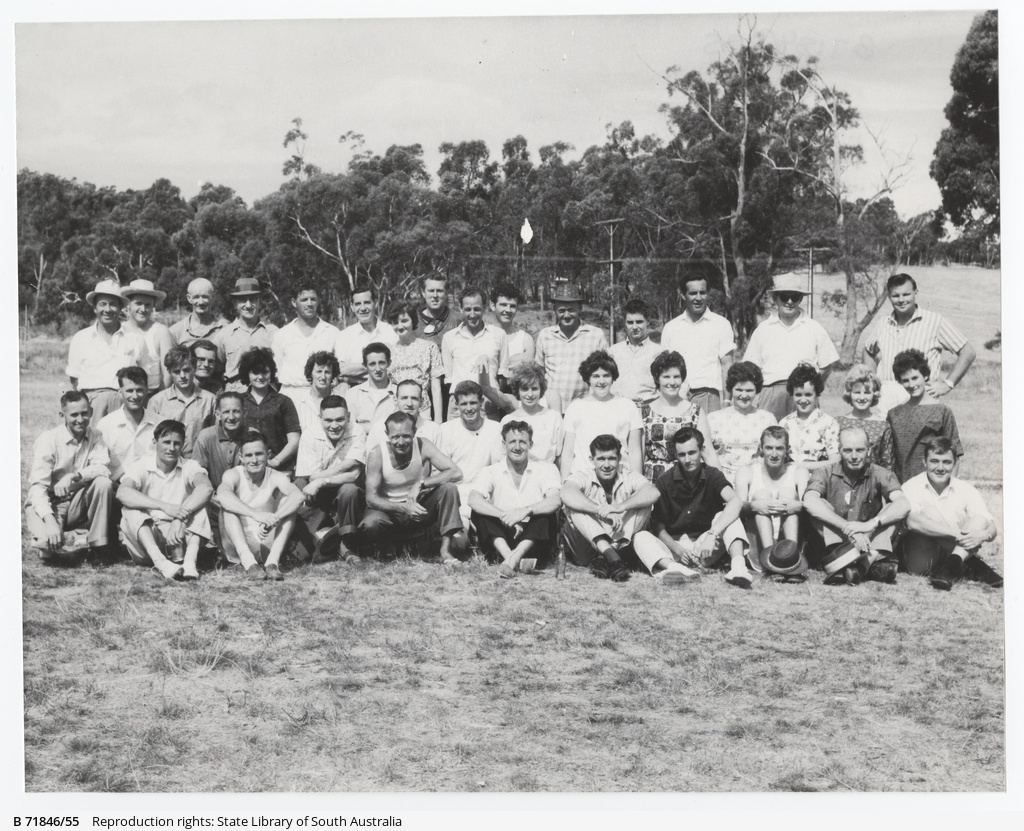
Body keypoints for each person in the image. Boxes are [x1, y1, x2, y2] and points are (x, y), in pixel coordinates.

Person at [561, 434, 697, 584]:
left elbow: (653, 492)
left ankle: (610, 557)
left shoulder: (628, 475)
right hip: (586, 548)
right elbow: (566, 493)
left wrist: (618, 508)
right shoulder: (583, 475)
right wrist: (600, 510)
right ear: (591, 459)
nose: (606, 465)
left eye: (611, 458)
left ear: (619, 458)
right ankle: (609, 553)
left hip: (620, 542)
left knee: (644, 503)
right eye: (600, 459)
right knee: (575, 507)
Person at [802, 426, 910, 586]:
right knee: (820, 505)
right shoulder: (824, 472)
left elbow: (903, 504)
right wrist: (847, 528)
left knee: (893, 509)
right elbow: (809, 501)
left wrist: (868, 526)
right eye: (847, 450)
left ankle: (861, 565)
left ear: (869, 451)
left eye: (860, 450)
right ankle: (869, 562)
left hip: (868, 538)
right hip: (836, 539)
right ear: (839, 451)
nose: (854, 456)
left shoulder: (881, 473)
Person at [651, 427, 752, 588]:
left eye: (692, 453)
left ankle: (738, 568)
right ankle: (676, 570)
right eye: (682, 455)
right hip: (676, 549)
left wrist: (712, 535)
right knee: (641, 536)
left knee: (728, 515)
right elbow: (658, 525)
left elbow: (736, 502)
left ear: (701, 450)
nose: (687, 460)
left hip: (705, 546)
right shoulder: (665, 481)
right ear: (676, 455)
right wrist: (678, 549)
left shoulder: (713, 475)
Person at [359, 411, 465, 563]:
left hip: (417, 508)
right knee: (371, 523)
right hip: (389, 511)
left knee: (449, 489)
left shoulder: (423, 445)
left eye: (406, 436)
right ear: (387, 434)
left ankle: (445, 550)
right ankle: (387, 549)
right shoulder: (377, 453)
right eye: (395, 437)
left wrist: (421, 484)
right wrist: (404, 508)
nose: (401, 442)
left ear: (414, 432)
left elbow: (456, 472)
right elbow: (371, 499)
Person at [863, 272, 976, 412]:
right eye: (896, 295)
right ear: (889, 297)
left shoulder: (934, 321)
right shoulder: (883, 323)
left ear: (916, 293)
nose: (901, 299)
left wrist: (948, 384)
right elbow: (868, 351)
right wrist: (871, 381)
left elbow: (968, 352)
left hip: (921, 395)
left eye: (906, 294)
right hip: (886, 396)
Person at [116, 419, 213, 581]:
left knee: (201, 505)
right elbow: (122, 492)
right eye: (166, 442)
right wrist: (164, 507)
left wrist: (180, 517)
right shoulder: (141, 465)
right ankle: (161, 563)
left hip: (179, 539)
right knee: (131, 508)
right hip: (148, 541)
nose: (171, 448)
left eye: (177, 443)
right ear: (155, 442)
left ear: (183, 445)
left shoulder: (190, 465)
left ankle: (190, 563)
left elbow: (206, 488)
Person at [25, 390, 115, 562]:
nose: (80, 420)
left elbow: (103, 467)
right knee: (46, 549)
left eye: (84, 413)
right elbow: (37, 488)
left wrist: (73, 475)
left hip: (76, 503)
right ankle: (63, 537)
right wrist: (50, 522)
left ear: (91, 412)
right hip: (50, 503)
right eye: (74, 415)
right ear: (62, 415)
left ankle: (98, 547)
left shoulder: (96, 436)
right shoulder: (48, 439)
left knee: (103, 483)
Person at [901, 437, 1001, 591]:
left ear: (954, 463)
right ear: (924, 461)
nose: (940, 468)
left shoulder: (966, 489)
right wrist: (957, 534)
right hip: (923, 558)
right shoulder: (911, 486)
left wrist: (983, 535)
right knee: (929, 512)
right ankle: (973, 563)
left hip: (955, 550)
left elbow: (991, 525)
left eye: (946, 462)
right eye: (934, 461)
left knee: (980, 519)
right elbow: (912, 522)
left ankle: (952, 564)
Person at [467, 421, 562, 578]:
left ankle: (512, 560)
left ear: (530, 444)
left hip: (533, 540)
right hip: (502, 537)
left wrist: (524, 511)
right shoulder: (491, 471)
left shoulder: (545, 469)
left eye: (522, 442)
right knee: (480, 511)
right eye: (512, 441)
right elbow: (473, 499)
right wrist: (505, 516)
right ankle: (511, 557)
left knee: (546, 512)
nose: (517, 447)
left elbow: (555, 500)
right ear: (504, 444)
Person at [742, 272, 839, 419]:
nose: (789, 301)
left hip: (802, 394)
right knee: (771, 437)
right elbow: (751, 367)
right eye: (784, 296)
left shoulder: (814, 327)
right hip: (771, 394)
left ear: (800, 299)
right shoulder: (763, 329)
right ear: (775, 298)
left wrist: (811, 384)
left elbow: (827, 366)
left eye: (794, 297)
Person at [217, 430, 305, 580]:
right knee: (228, 507)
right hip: (237, 543)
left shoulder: (276, 476)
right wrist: (256, 514)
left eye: (259, 454)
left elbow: (298, 496)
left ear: (268, 455)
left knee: (288, 503)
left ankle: (272, 563)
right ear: (241, 458)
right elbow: (223, 495)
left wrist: (274, 518)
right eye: (249, 455)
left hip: (265, 540)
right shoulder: (233, 474)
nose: (254, 460)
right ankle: (249, 563)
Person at [294, 394, 367, 562]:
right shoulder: (310, 435)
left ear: (349, 417)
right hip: (317, 493)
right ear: (320, 418)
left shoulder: (357, 431)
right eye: (328, 420)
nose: (334, 426)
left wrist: (321, 480)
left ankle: (348, 545)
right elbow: (310, 476)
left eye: (340, 419)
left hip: (343, 490)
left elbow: (354, 475)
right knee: (306, 555)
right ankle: (313, 539)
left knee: (350, 490)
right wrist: (345, 465)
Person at [66, 279, 147, 421]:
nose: (107, 310)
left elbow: (147, 377)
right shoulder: (81, 338)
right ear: (94, 308)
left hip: (127, 405)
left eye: (113, 304)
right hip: (92, 406)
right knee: (95, 442)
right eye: (102, 304)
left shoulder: (135, 338)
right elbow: (75, 379)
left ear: (121, 307)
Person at [735, 426, 808, 571]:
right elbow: (738, 507)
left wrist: (796, 505)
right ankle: (769, 558)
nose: (774, 454)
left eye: (779, 448)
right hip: (757, 541)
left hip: (789, 536)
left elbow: (810, 505)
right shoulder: (747, 471)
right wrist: (756, 506)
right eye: (769, 448)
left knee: (788, 493)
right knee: (761, 495)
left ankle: (790, 557)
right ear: (761, 448)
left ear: (787, 449)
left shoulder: (798, 471)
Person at [560, 351, 642, 479]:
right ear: (588, 378)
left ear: (613, 377)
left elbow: (635, 452)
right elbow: (567, 453)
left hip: (619, 477)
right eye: (596, 376)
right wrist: (565, 482)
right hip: (582, 477)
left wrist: (637, 483)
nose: (601, 381)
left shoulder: (628, 406)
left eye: (606, 375)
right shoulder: (575, 407)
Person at [660, 277, 736, 413]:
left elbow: (727, 365)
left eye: (703, 292)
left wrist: (727, 401)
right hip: (677, 396)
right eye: (693, 293)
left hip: (708, 397)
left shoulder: (721, 324)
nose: (699, 298)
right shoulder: (671, 327)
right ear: (683, 295)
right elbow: (664, 368)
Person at [886, 349, 963, 484]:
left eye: (915, 378)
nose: (911, 385)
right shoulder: (894, 414)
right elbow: (889, 457)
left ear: (925, 376)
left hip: (932, 484)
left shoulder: (942, 412)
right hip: (901, 485)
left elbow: (954, 453)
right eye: (905, 380)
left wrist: (951, 489)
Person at [640, 350, 719, 480]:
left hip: (687, 482)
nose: (672, 382)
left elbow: (708, 452)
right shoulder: (644, 412)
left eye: (676, 376)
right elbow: (640, 454)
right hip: (654, 483)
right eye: (666, 377)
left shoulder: (695, 412)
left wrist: (721, 485)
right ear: (657, 379)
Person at [534, 284, 609, 410]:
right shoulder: (545, 335)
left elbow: (606, 372)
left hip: (585, 408)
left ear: (580, 308)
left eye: (571, 310)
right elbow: (539, 372)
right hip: (550, 409)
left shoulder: (595, 335)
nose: (567, 315)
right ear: (554, 309)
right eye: (562, 310)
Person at [192, 391, 248, 558]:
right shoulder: (206, 436)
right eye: (226, 412)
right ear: (217, 414)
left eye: (236, 411)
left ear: (244, 412)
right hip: (212, 502)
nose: (231, 417)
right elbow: (197, 473)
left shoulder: (252, 435)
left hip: (243, 502)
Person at [438, 380, 504, 523]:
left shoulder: (495, 428)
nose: (469, 408)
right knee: (459, 542)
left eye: (473, 403)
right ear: (456, 404)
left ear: (481, 402)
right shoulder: (446, 430)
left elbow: (498, 469)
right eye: (463, 404)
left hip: (484, 496)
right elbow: (442, 472)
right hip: (457, 496)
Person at [441, 286, 509, 419]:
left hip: (488, 404)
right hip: (458, 404)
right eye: (467, 309)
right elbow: (449, 380)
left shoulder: (499, 335)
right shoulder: (449, 338)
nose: (472, 314)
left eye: (477, 309)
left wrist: (491, 396)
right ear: (461, 309)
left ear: (484, 307)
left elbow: (502, 377)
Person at [707, 361, 778, 486]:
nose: (744, 395)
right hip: (721, 483)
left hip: (757, 482)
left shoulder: (767, 419)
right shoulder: (714, 419)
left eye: (749, 390)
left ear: (757, 390)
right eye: (739, 390)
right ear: (731, 389)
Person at [271, 280, 340, 405]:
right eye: (304, 300)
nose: (309, 304)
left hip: (323, 397)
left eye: (313, 299)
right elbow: (274, 373)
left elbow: (339, 371)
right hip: (289, 397)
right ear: (294, 302)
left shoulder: (332, 332)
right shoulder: (281, 335)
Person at [146, 345, 216, 458]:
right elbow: (150, 439)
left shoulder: (210, 400)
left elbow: (215, 436)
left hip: (199, 462)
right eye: (176, 372)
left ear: (194, 368)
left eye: (186, 370)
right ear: (169, 372)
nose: (182, 376)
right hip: (168, 464)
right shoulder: (157, 402)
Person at [238, 347, 300, 474]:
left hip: (280, 469)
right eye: (255, 372)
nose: (260, 377)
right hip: (247, 468)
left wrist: (276, 461)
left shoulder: (284, 401)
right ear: (247, 374)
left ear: (271, 373)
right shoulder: (238, 401)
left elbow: (294, 439)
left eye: (265, 372)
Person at [214, 277, 278, 393]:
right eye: (243, 300)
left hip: (265, 394)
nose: (248, 305)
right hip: (236, 394)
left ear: (259, 302)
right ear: (235, 304)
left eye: (253, 299)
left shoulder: (273, 332)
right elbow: (215, 371)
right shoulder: (224, 335)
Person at [384, 298, 444, 424]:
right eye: (395, 322)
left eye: (404, 320)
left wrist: (438, 421)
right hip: (397, 410)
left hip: (422, 410)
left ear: (413, 320)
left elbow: (436, 387)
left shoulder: (429, 347)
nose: (400, 326)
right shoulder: (389, 351)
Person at [97, 366, 159, 484]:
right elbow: (99, 464)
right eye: (129, 391)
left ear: (147, 390)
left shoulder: (159, 423)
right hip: (116, 488)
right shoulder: (106, 425)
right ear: (120, 392)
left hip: (150, 488)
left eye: (139, 390)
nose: (135, 396)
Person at [333, 282, 398, 389]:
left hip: (388, 391)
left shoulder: (390, 331)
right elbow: (341, 371)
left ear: (375, 303)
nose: (363, 308)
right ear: (352, 307)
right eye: (358, 304)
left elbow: (396, 366)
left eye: (367, 302)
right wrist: (380, 365)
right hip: (356, 391)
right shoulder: (344, 335)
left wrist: (354, 371)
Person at [498, 363, 564, 465]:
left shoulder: (554, 417)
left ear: (541, 389)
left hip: (547, 474)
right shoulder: (508, 420)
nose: (530, 394)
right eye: (524, 389)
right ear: (518, 391)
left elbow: (560, 457)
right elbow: (502, 457)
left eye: (534, 389)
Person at [778, 365, 840, 471]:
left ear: (816, 394)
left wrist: (801, 467)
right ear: (792, 394)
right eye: (798, 395)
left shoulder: (829, 423)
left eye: (808, 395)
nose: (803, 400)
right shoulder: (784, 423)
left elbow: (835, 461)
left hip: (818, 480)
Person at [836, 364, 894, 470]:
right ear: (849, 393)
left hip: (872, 482)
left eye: (867, 392)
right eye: (857, 392)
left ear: (874, 394)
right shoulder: (838, 423)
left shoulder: (882, 426)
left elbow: (887, 463)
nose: (862, 397)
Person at [121, 278, 174, 394]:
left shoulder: (161, 331)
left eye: (148, 305)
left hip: (152, 394)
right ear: (128, 305)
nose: (143, 309)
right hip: (125, 395)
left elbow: (168, 372)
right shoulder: (120, 330)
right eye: (138, 303)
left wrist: (159, 399)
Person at [607, 298, 661, 404]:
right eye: (630, 322)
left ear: (648, 322)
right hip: (618, 407)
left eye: (639, 322)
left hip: (646, 407)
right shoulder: (613, 351)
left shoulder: (658, 352)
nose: (635, 327)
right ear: (625, 323)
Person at [366, 380, 443, 448]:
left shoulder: (433, 430)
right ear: (395, 400)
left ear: (422, 402)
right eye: (404, 398)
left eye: (414, 398)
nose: (409, 403)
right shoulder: (379, 428)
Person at [346, 342, 398, 435]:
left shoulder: (399, 393)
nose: (378, 369)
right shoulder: (352, 394)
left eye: (381, 363)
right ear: (365, 366)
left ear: (389, 363)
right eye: (372, 364)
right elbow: (349, 428)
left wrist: (364, 426)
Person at [169, 277, 227, 347]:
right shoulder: (175, 332)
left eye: (205, 297)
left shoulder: (225, 329)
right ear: (189, 298)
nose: (201, 302)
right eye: (196, 297)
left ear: (213, 297)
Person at [293, 350, 341, 435]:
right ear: (310, 373)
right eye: (319, 371)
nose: (323, 377)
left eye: (327, 372)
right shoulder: (298, 403)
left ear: (333, 375)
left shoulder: (341, 401)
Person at [491, 282, 535, 371]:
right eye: (503, 305)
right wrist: (514, 362)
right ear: (492, 306)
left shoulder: (525, 340)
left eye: (512, 306)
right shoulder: (484, 335)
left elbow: (528, 372)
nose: (508, 310)